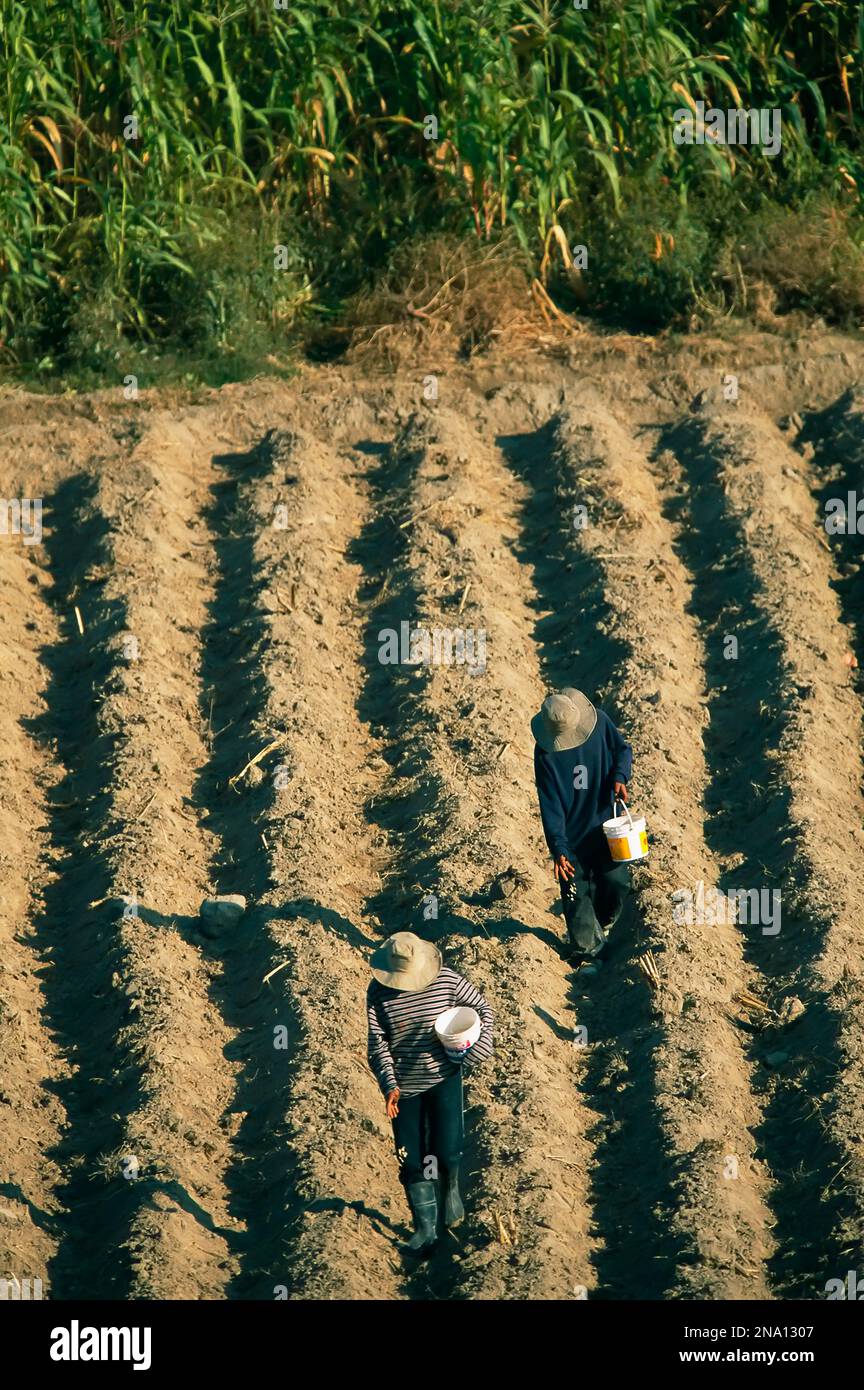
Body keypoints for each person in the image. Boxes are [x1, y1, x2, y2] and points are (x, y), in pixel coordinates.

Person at [366, 931, 494, 1253]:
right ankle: (425, 1229)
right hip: (405, 1089)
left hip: (444, 1077)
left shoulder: (447, 981)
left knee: (446, 1149)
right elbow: (377, 1042)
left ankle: (450, 1188)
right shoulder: (378, 992)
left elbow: (483, 1009)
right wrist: (389, 1084)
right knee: (411, 1157)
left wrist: (476, 1048)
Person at [532, 686, 632, 960]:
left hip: (606, 826)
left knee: (616, 881)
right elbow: (549, 803)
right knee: (575, 894)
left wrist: (620, 776)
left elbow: (623, 750)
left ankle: (605, 924)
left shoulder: (600, 724)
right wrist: (559, 848)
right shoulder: (545, 754)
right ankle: (587, 952)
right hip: (571, 836)